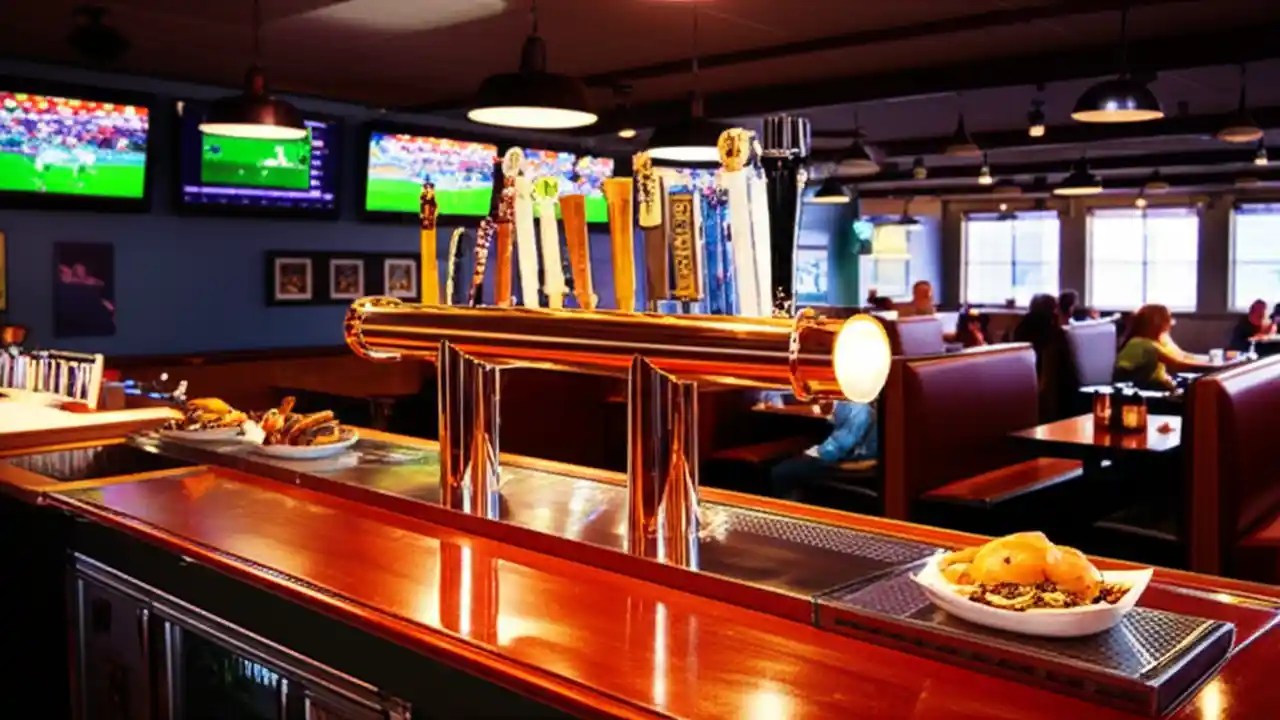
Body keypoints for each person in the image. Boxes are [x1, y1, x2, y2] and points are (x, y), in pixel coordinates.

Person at [769, 401, 877, 500]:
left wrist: (810, 454)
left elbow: (834, 449)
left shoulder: (858, 409)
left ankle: (790, 511)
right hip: (851, 456)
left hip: (858, 462)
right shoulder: (850, 406)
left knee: (782, 471)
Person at [1115, 304, 1218, 391]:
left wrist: (1211, 359)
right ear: (1156, 323)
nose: (1171, 323)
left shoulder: (1161, 340)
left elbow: (1183, 356)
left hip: (1160, 385)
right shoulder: (1143, 344)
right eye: (1168, 319)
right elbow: (1178, 364)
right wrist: (1214, 367)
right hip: (1147, 389)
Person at [1013, 294, 1075, 419]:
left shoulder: (1020, 330)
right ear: (1053, 311)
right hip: (1054, 401)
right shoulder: (1055, 335)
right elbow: (1066, 372)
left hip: (1022, 394)